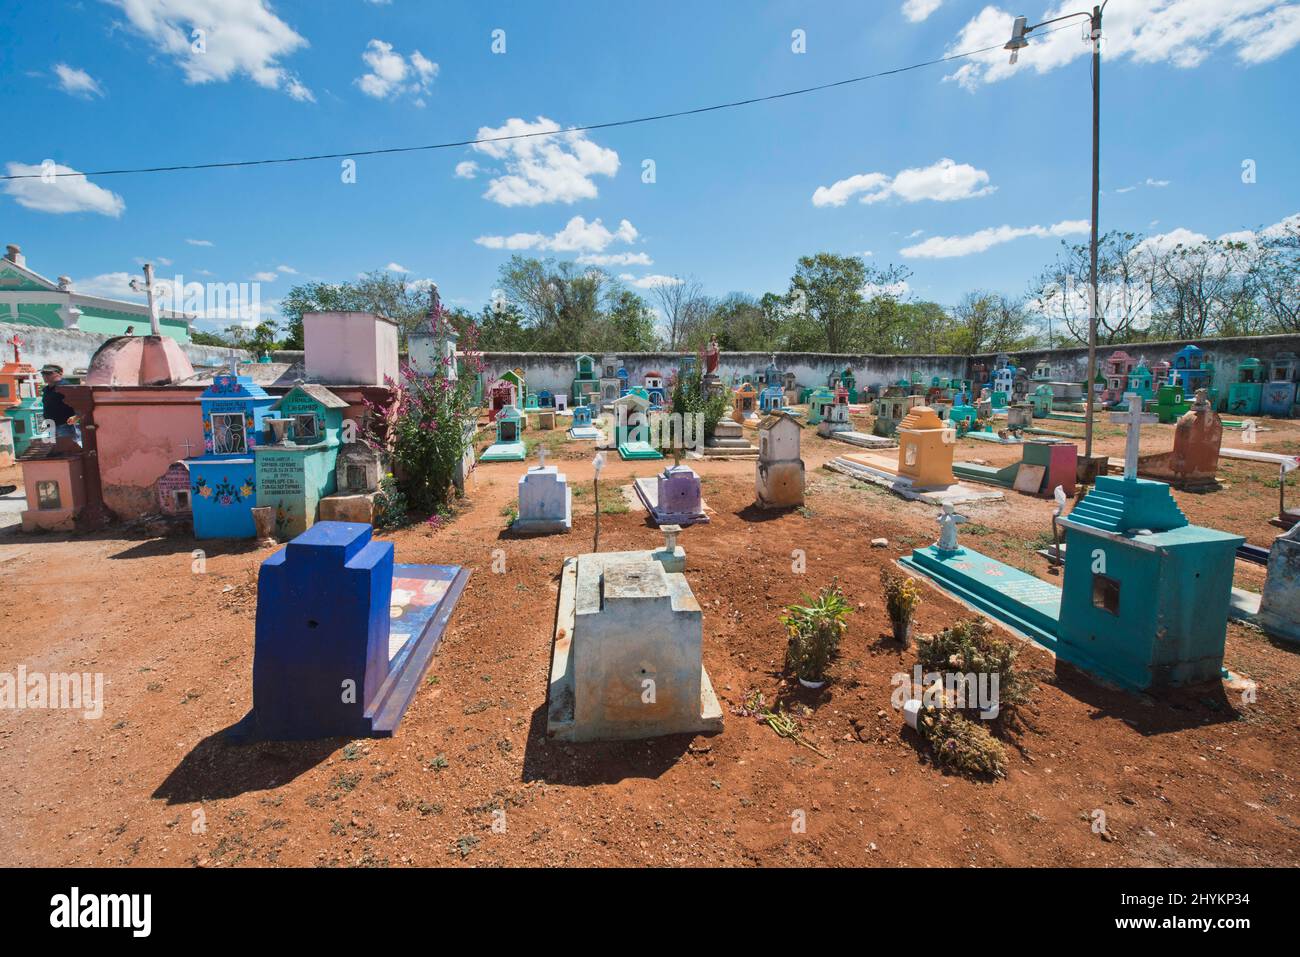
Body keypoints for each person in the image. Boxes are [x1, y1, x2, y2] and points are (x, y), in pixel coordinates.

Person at [40, 364, 80, 444]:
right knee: (60, 449)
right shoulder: (47, 389)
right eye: (43, 373)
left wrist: (77, 416)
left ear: (59, 373)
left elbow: (80, 403)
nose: (45, 376)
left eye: (49, 373)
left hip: (66, 426)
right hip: (52, 427)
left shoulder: (66, 387)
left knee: (69, 448)